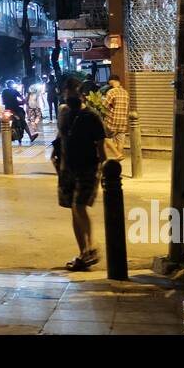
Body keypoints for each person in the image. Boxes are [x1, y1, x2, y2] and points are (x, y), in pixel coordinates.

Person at [51, 77, 105, 270]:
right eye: (66, 92)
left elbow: (101, 147)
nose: (68, 95)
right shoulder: (64, 113)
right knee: (73, 209)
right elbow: (61, 136)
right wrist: (55, 157)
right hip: (66, 169)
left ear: (81, 94)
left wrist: (103, 168)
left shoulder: (92, 116)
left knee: (78, 206)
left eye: (72, 91)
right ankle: (83, 252)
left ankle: (90, 248)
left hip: (87, 168)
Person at [102, 75, 131, 162]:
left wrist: (102, 100)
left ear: (112, 81)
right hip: (123, 121)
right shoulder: (125, 93)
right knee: (120, 140)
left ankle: (117, 154)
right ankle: (118, 159)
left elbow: (104, 105)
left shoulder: (112, 92)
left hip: (113, 120)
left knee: (104, 137)